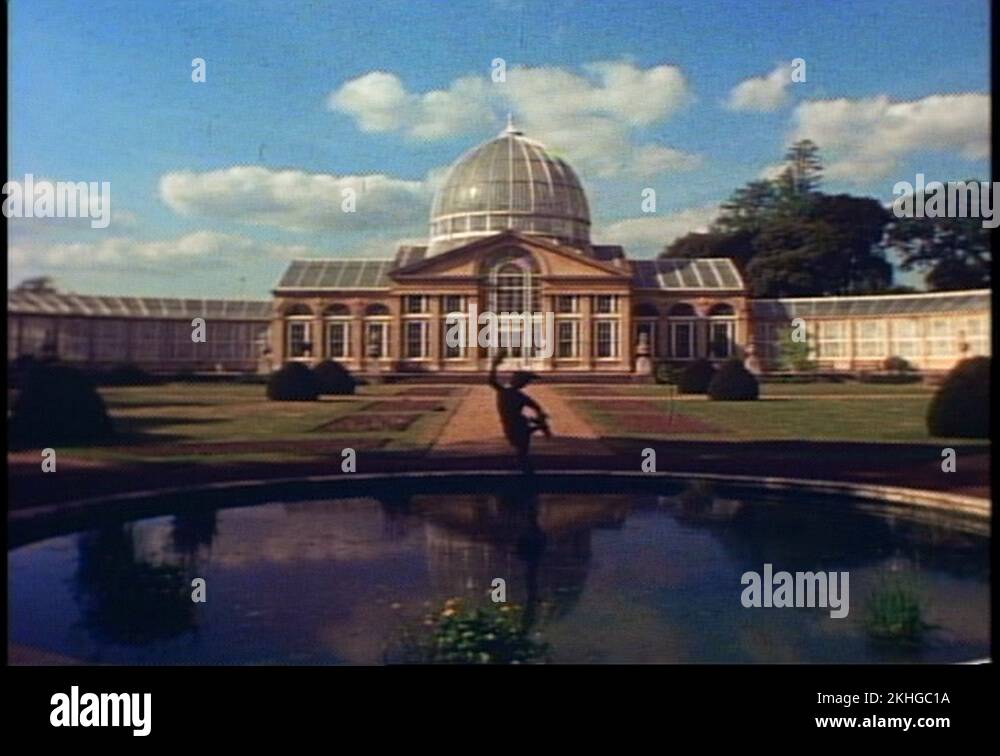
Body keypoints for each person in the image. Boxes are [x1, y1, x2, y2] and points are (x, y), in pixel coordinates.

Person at [488, 351, 551, 469]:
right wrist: (540, 422)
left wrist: (494, 365)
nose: (526, 384)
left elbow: (492, 381)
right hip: (515, 426)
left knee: (522, 449)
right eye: (526, 382)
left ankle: (523, 466)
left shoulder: (507, 392)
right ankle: (524, 468)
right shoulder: (514, 395)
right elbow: (536, 407)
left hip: (514, 425)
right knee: (522, 448)